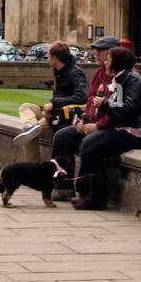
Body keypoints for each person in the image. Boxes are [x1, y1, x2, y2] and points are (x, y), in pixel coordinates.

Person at [72, 46, 141, 210]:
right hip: (124, 127)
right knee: (87, 143)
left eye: (108, 59)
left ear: (116, 63)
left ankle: (97, 198)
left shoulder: (133, 80)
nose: (105, 62)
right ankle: (85, 191)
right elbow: (118, 109)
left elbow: (128, 109)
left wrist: (105, 104)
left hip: (137, 130)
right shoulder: (121, 78)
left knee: (93, 148)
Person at [44, 36, 120, 193]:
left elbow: (119, 110)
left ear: (112, 54)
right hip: (93, 123)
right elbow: (90, 100)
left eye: (100, 52)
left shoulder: (124, 76)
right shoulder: (99, 73)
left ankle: (88, 192)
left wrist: (97, 126)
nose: (96, 55)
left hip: (111, 127)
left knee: (88, 143)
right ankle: (64, 188)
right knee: (62, 137)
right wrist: (83, 120)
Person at [15, 41, 90, 145]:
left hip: (62, 117)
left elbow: (82, 97)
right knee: (26, 107)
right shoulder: (58, 71)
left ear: (55, 58)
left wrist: (54, 104)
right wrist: (49, 108)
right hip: (53, 112)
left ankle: (32, 133)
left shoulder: (75, 73)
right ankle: (30, 127)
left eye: (49, 56)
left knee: (28, 137)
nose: (47, 59)